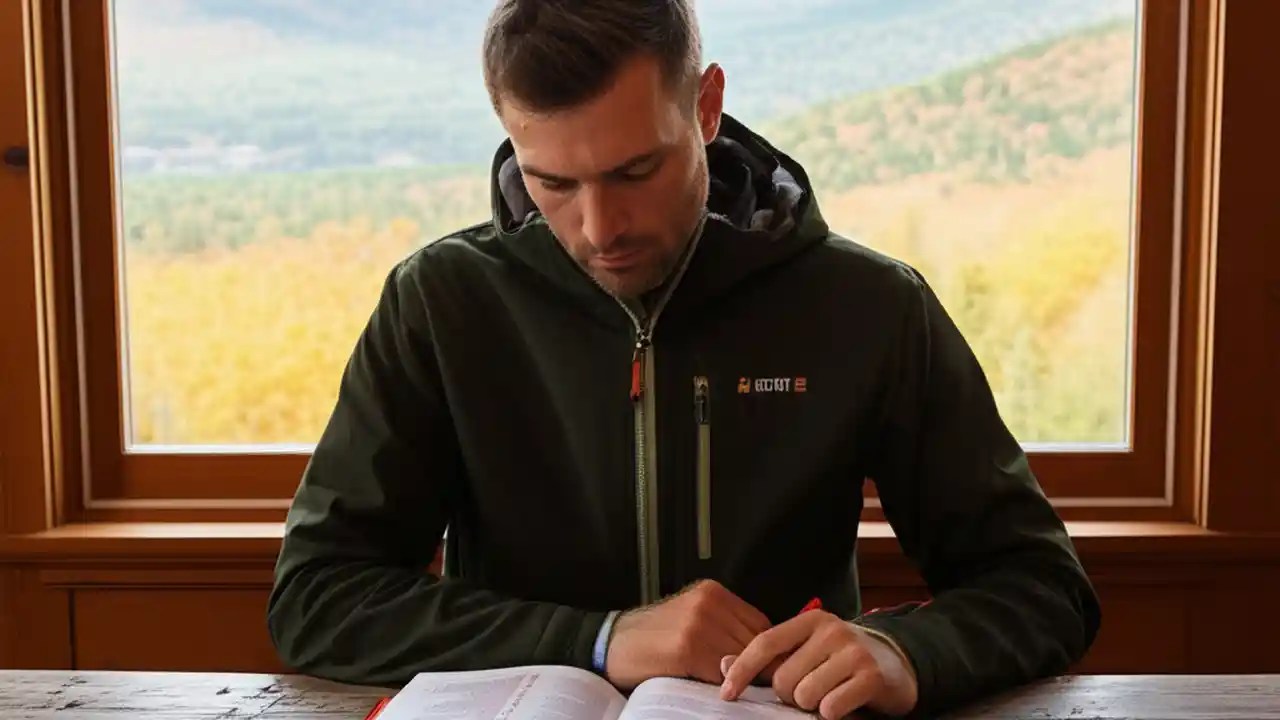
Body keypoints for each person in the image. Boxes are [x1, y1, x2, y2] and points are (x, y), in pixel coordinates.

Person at [267, 1, 1101, 717]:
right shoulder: (437, 305)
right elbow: (317, 596)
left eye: (636, 171)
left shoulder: (870, 307)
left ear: (706, 106)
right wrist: (597, 640)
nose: (600, 229)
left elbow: (1042, 586)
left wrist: (902, 652)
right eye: (552, 182)